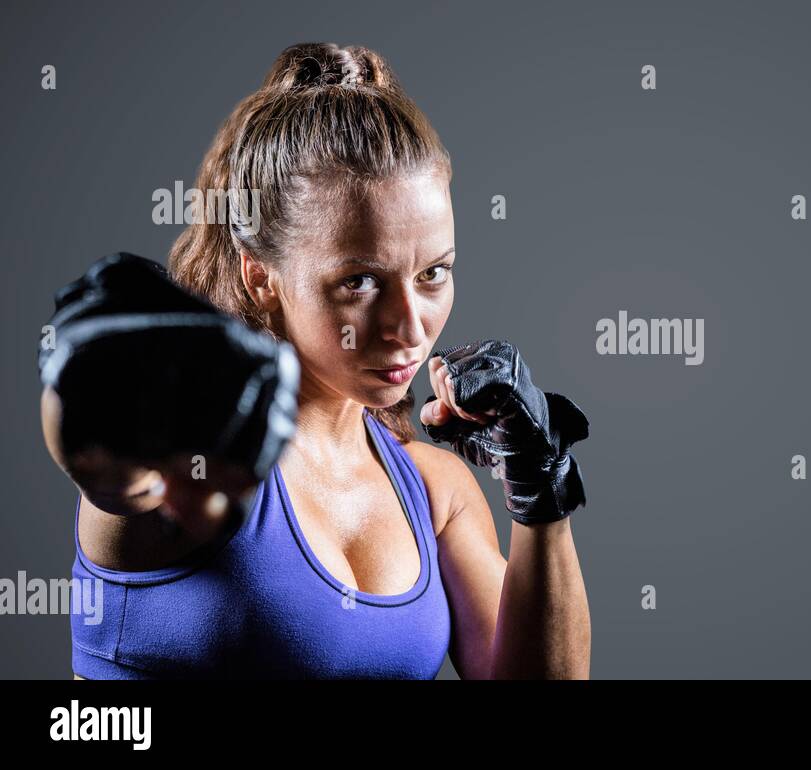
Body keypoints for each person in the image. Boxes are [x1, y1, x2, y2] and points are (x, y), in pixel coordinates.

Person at [39, 42, 592, 679]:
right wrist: (87, 362)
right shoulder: (197, 465)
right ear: (261, 278)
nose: (409, 327)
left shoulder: (434, 491)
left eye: (433, 273)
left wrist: (539, 490)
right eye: (358, 281)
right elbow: (106, 464)